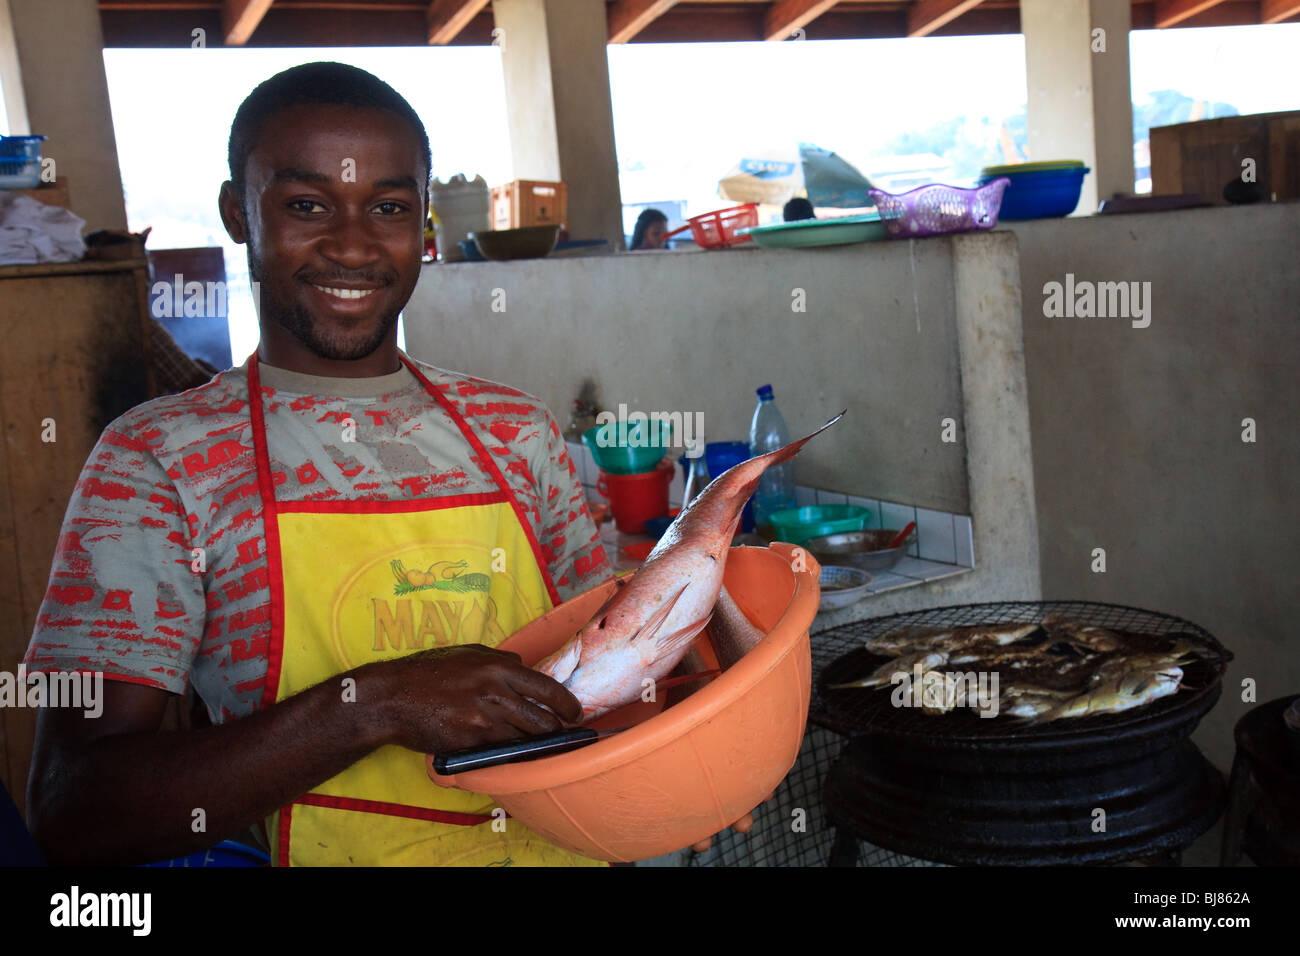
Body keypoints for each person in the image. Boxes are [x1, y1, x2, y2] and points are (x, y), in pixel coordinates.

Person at [22, 62, 615, 867]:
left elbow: (605, 679)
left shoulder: (518, 432)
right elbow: (76, 806)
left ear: (424, 222)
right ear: (239, 213)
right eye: (306, 205)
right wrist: (374, 704)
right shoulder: (159, 460)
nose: (351, 244)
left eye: (390, 208)